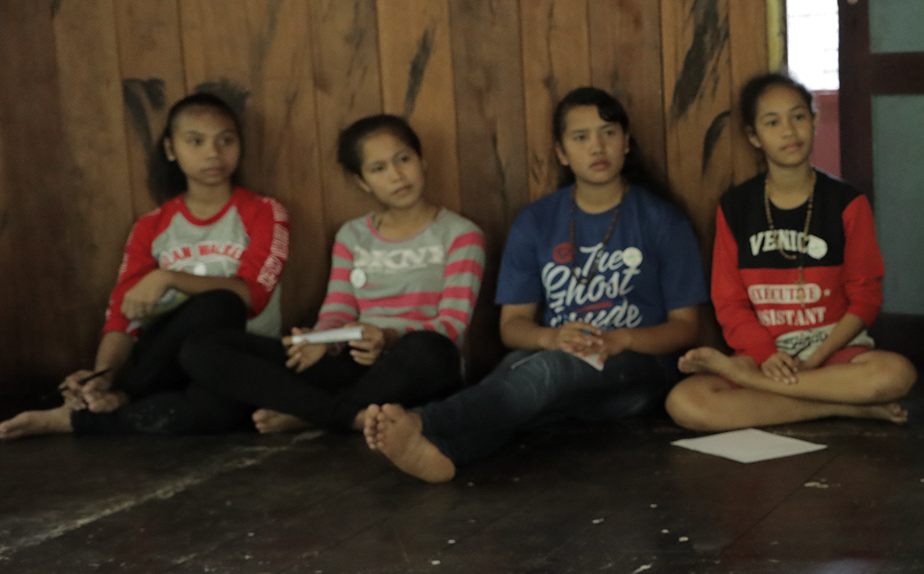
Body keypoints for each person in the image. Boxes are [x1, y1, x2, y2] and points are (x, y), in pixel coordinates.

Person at [364, 87, 705, 482]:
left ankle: (423, 422)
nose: (597, 147)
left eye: (608, 133)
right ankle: (444, 455)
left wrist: (621, 340)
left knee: (545, 375)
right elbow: (513, 325)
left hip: (640, 373)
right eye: (580, 137)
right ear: (562, 152)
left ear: (627, 142)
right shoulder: (537, 220)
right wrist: (552, 337)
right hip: (556, 363)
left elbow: (685, 327)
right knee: (520, 383)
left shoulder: (662, 220)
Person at [2, 93, 289, 440]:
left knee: (218, 395)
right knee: (213, 308)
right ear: (171, 150)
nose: (213, 153)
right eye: (195, 141)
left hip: (235, 359)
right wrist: (102, 376)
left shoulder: (265, 211)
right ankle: (111, 397)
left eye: (226, 140)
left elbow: (253, 295)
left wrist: (167, 277)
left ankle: (80, 419)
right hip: (166, 362)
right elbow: (124, 313)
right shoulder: (151, 225)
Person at [177, 115, 479, 434]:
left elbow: (452, 326)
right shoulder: (353, 235)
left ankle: (312, 415)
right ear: (363, 182)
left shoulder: (460, 234)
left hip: (412, 366)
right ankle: (343, 414)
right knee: (200, 348)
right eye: (378, 169)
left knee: (432, 351)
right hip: (351, 362)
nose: (397, 175)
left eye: (404, 159)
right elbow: (338, 310)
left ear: (422, 161)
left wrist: (387, 337)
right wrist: (319, 341)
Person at [667, 73, 916, 430]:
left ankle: (767, 392)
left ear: (814, 122)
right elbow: (729, 301)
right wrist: (766, 356)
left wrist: (816, 359)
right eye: (772, 122)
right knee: (686, 403)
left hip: (831, 353)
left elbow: (865, 299)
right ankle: (847, 408)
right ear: (754, 136)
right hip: (762, 356)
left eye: (798, 117)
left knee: (896, 374)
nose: (788, 130)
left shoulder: (847, 202)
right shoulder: (736, 207)